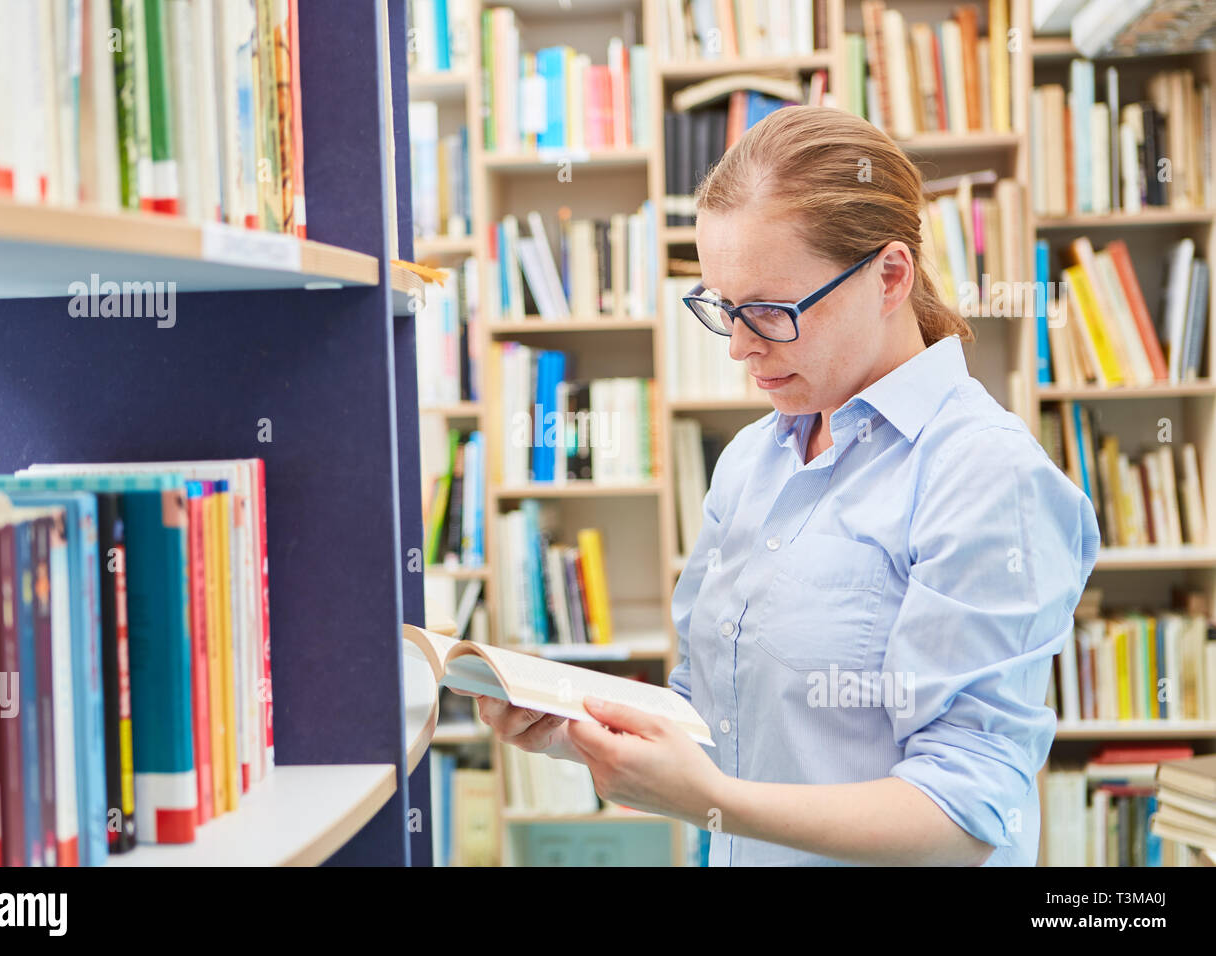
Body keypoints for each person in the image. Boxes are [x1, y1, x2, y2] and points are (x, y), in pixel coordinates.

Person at [455, 105, 1099, 865]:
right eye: (723, 308)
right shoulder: (753, 459)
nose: (737, 346)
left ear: (890, 276)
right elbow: (713, 714)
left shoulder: (986, 475)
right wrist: (575, 726)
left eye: (768, 310)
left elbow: (963, 817)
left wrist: (707, 802)